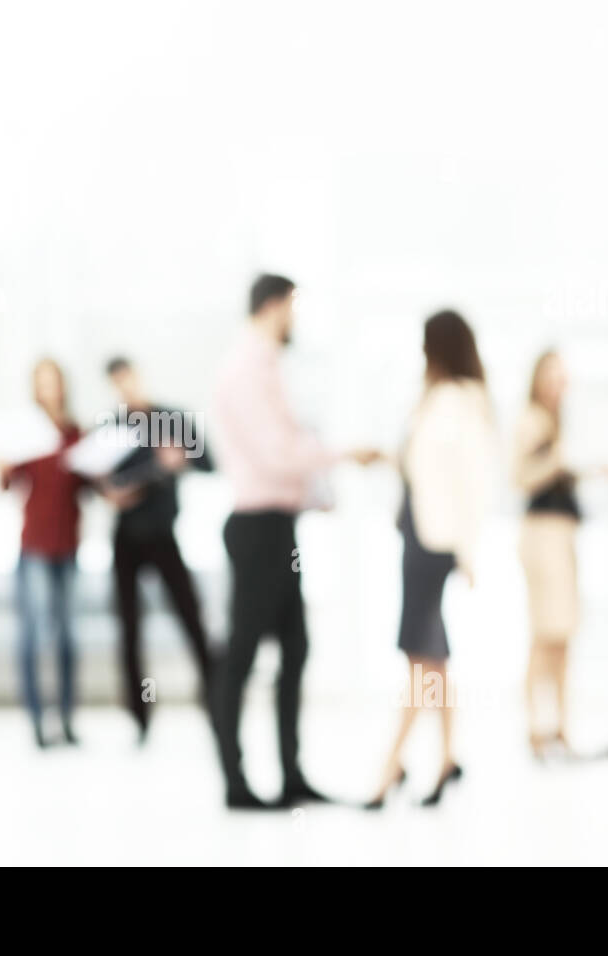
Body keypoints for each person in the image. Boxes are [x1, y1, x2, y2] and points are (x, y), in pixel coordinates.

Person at [212, 273, 378, 809]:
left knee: (296, 649)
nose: (296, 320)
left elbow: (283, 456)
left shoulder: (265, 366)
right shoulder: (244, 369)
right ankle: (236, 782)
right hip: (258, 527)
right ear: (274, 305)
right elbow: (278, 454)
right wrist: (342, 454)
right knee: (240, 657)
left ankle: (291, 773)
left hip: (279, 525)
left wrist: (316, 490)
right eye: (293, 308)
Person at [366, 310, 494, 810]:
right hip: (419, 536)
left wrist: (467, 550)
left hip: (434, 543)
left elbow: (473, 482)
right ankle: (445, 758)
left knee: (420, 658)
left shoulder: (460, 401)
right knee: (432, 658)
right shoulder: (437, 399)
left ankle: (390, 766)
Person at [99, 357, 215, 743]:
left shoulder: (172, 419)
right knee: (130, 628)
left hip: (163, 534)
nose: (126, 388)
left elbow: (208, 461)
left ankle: (216, 699)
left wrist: (180, 457)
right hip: (127, 537)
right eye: (118, 383)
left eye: (129, 379)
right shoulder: (112, 427)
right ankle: (140, 718)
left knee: (191, 617)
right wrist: (110, 492)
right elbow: (100, 482)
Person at [0, 358, 85, 749]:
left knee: (68, 637)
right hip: (35, 545)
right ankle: (36, 721)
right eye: (42, 382)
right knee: (34, 637)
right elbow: (7, 483)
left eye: (54, 381)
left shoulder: (73, 433)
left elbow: (83, 485)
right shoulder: (26, 433)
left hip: (68, 546)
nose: (49, 388)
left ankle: (66, 719)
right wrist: (3, 465)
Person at [513, 350, 581, 758]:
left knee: (564, 636)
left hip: (567, 532)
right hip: (542, 535)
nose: (558, 384)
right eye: (550, 376)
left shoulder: (567, 422)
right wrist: (559, 454)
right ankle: (535, 728)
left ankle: (561, 727)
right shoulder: (530, 422)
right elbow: (520, 477)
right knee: (544, 634)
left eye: (563, 376)